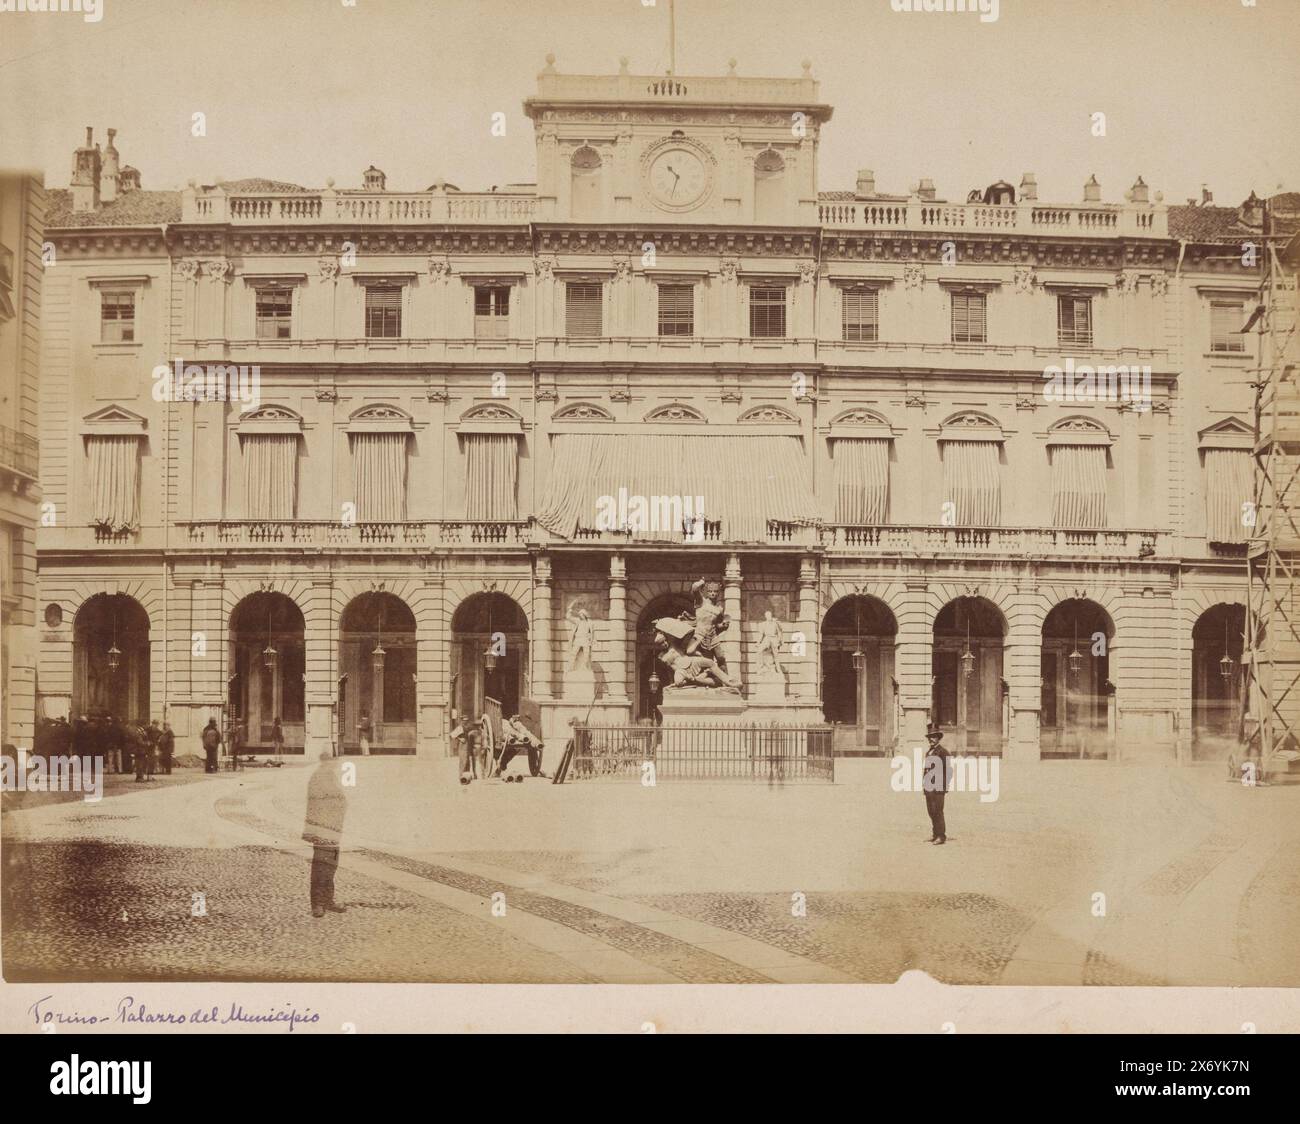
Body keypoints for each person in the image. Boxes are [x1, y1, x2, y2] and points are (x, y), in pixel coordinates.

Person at [303, 751, 347, 918]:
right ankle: (317, 904)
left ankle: (328, 900)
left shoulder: (330, 776)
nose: (335, 764)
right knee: (321, 866)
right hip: (323, 829)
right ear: (325, 761)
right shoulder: (318, 777)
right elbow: (314, 806)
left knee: (331, 866)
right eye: (332, 761)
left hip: (334, 829)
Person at [922, 723, 953, 845]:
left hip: (938, 787)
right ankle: (935, 833)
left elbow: (949, 771)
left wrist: (944, 786)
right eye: (929, 737)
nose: (931, 739)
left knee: (938, 811)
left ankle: (941, 836)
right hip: (929, 787)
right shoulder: (929, 752)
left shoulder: (943, 752)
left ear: (938, 738)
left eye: (933, 736)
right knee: (931, 811)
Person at [496, 714, 545, 779]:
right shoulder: (504, 723)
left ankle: (502, 766)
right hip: (512, 736)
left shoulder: (516, 724)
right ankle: (502, 767)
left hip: (518, 737)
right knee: (515, 736)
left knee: (522, 732)